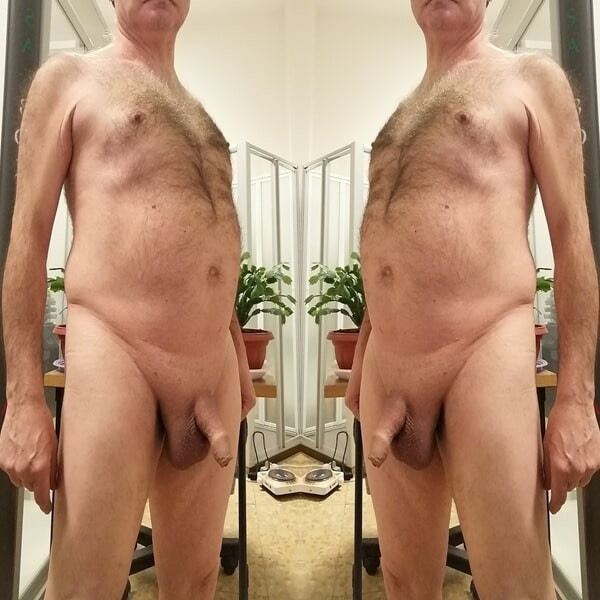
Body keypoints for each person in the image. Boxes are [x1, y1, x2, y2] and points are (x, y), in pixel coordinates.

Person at [0, 0, 256, 597]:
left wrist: (237, 356)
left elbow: (209, 251)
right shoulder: (69, 79)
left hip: (211, 370)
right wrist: (23, 400)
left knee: (196, 582)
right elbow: (27, 240)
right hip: (116, 352)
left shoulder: (199, 116)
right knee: (85, 587)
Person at [345, 0, 600, 598]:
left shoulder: (530, 80)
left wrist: (577, 399)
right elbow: (391, 252)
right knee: (404, 582)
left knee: (515, 587)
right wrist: (363, 356)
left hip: (484, 352)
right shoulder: (400, 118)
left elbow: (573, 239)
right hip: (388, 370)